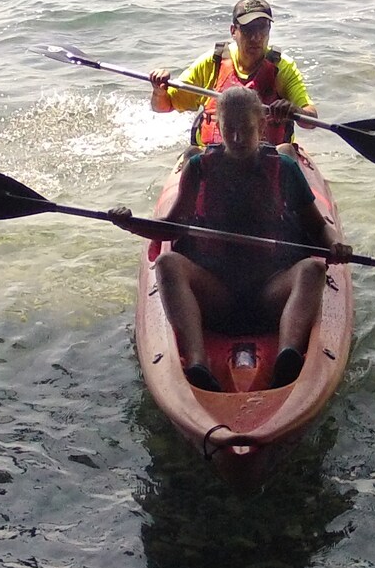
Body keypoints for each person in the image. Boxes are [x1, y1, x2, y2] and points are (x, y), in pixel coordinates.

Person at [115, 88, 350, 393]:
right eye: (230, 129)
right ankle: (198, 364)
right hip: (217, 296)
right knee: (168, 262)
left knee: (313, 270)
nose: (237, 138)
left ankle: (287, 358)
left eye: (246, 130)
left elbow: (318, 228)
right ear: (219, 129)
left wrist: (335, 244)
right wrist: (132, 224)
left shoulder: (285, 168)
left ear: (262, 127)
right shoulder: (199, 169)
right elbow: (171, 228)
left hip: (270, 294)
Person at [148, 0, 313, 150]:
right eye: (248, 30)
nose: (256, 37)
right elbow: (163, 107)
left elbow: (311, 120)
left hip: (267, 158)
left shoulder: (282, 68)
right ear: (234, 31)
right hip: (215, 156)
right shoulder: (212, 63)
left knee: (287, 150)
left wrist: (294, 110)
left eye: (262, 28)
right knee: (191, 153)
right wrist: (159, 90)